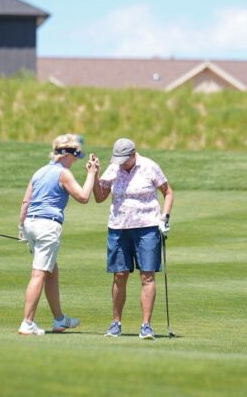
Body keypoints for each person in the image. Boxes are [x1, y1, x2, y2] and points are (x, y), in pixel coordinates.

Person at [17, 134, 99, 336]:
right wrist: (92, 174)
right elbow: (83, 197)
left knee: (51, 270)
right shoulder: (63, 173)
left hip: (31, 224)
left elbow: (26, 202)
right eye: (75, 157)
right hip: (47, 226)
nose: (76, 161)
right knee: (39, 273)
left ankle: (59, 320)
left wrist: (21, 226)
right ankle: (27, 322)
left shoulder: (39, 172)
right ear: (66, 155)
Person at [93, 138, 174, 339]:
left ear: (133, 153)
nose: (121, 163)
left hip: (147, 227)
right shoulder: (114, 168)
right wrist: (93, 175)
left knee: (147, 276)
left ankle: (146, 325)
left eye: (124, 159)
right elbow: (99, 196)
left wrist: (165, 218)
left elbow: (168, 193)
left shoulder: (149, 166)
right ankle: (115, 324)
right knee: (119, 275)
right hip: (118, 228)